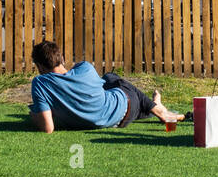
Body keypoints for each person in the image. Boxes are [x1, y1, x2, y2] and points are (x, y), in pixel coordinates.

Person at [27, 40, 184, 133]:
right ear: (62, 58)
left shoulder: (40, 84)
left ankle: (156, 108)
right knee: (111, 78)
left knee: (113, 83)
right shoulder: (85, 68)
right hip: (125, 108)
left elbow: (48, 128)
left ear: (39, 66)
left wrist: (34, 115)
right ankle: (159, 110)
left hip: (119, 120)